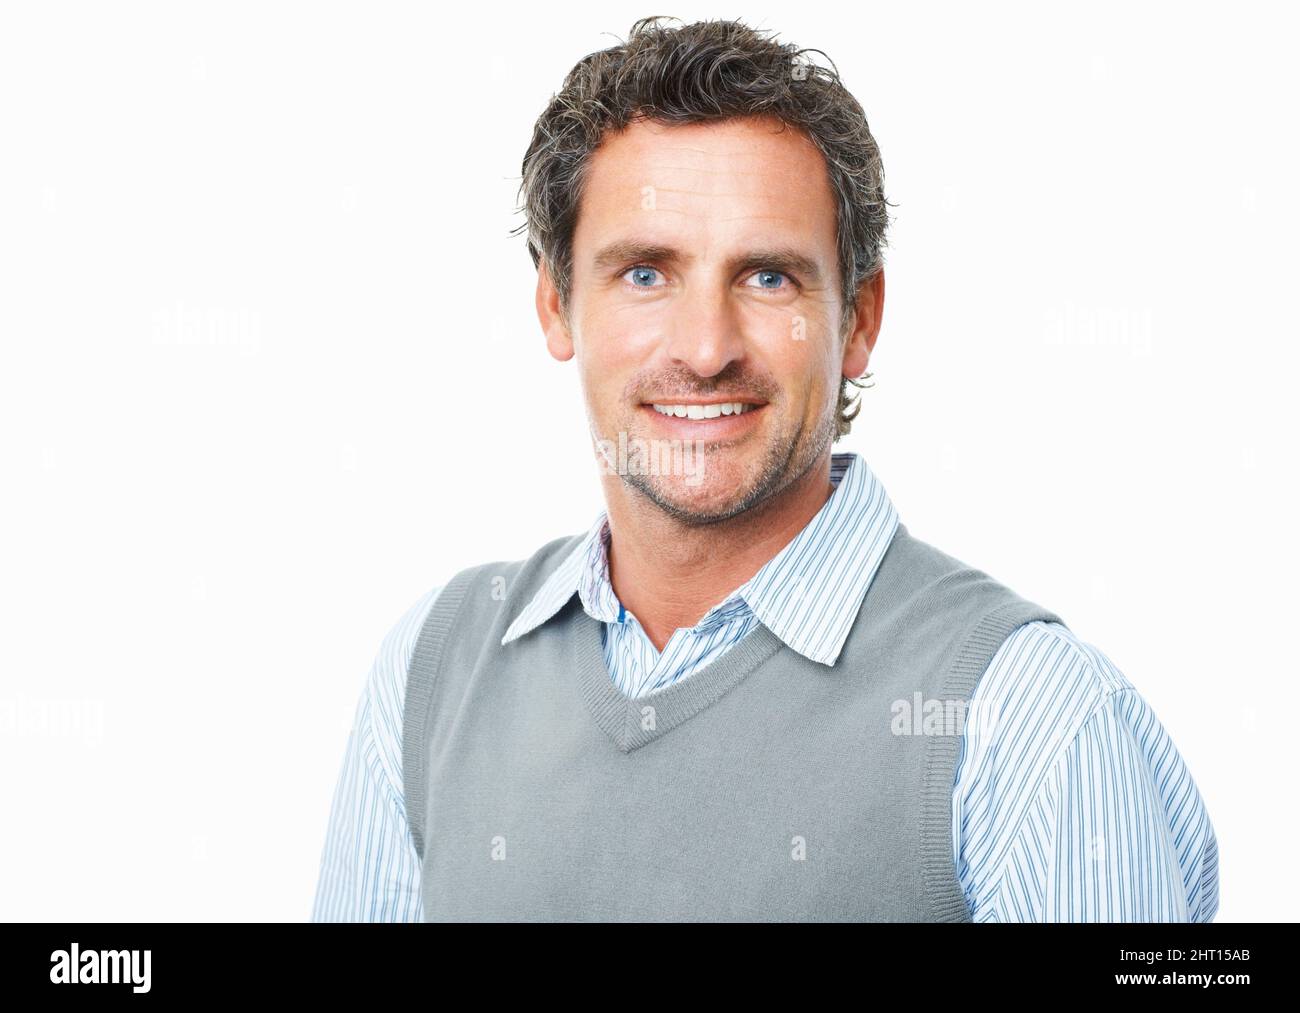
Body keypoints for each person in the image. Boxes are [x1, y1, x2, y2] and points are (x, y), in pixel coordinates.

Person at [312, 16, 1217, 922]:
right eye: (644, 274)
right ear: (555, 302)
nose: (706, 350)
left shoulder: (1032, 721)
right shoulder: (431, 674)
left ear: (860, 318)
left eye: (769, 279)